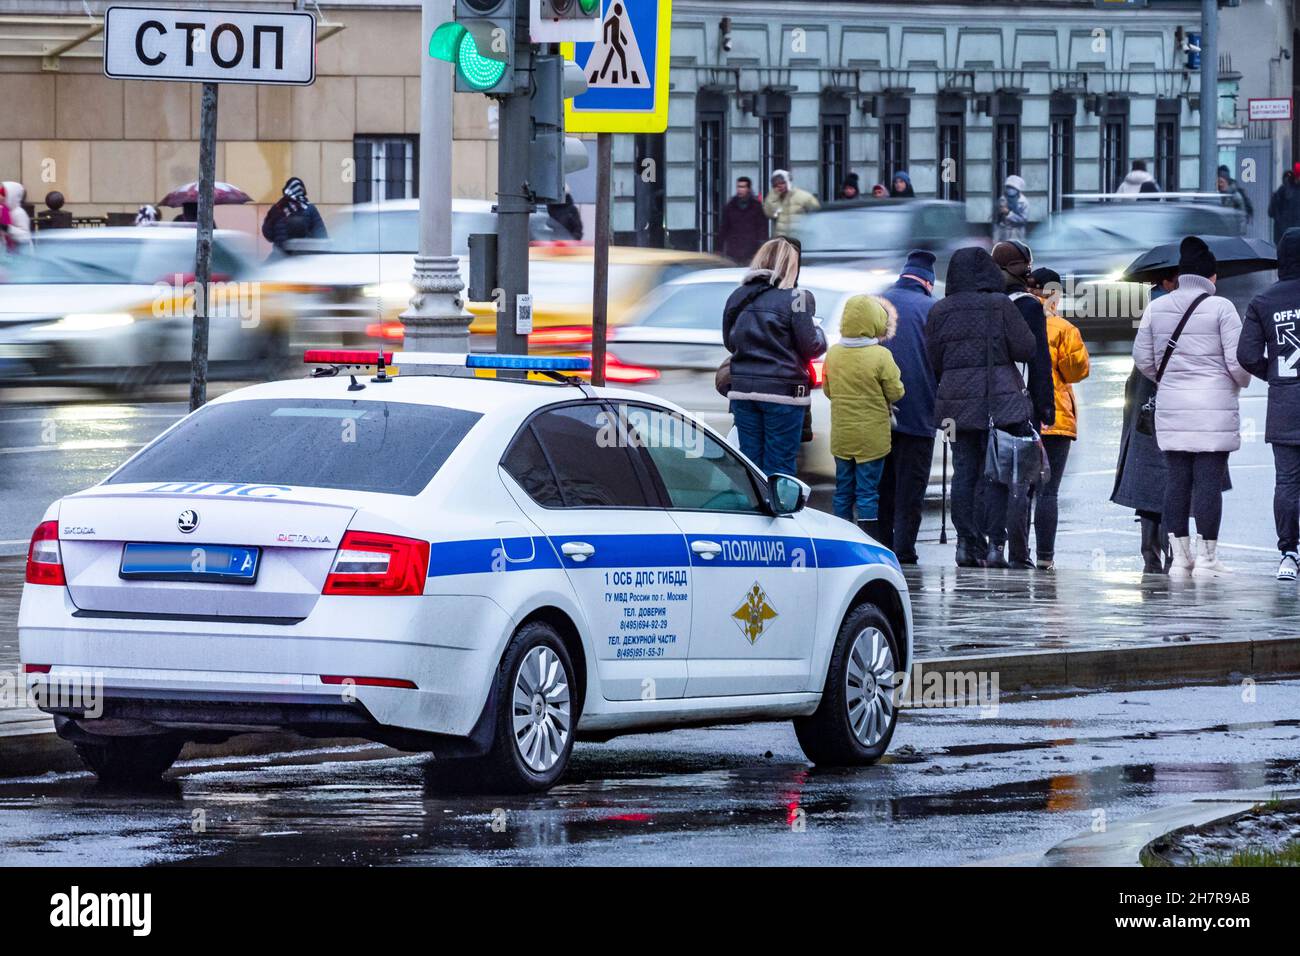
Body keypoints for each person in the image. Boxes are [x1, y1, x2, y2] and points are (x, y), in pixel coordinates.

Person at [1133, 236, 1251, 579]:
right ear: (1210, 277)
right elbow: (1239, 362)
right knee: (1209, 483)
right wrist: (1235, 383)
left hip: (1171, 405)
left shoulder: (1157, 308)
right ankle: (1208, 559)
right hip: (1214, 407)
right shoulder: (1222, 308)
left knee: (1177, 481)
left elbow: (1143, 359)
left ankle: (1181, 560)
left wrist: (1167, 379)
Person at [925, 247, 1037, 568]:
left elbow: (933, 360)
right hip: (998, 404)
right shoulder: (999, 305)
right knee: (998, 475)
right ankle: (996, 546)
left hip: (954, 409)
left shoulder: (939, 311)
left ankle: (965, 544)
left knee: (964, 473)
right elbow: (1026, 348)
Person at [723, 237, 826, 476]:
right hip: (784, 396)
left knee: (750, 465)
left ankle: (755, 510)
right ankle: (779, 511)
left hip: (743, 392)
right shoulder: (798, 297)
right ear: (790, 265)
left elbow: (730, 342)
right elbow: (811, 346)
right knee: (780, 467)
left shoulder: (737, 295)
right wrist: (817, 330)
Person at [1237, 227, 1300, 580]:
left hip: (1285, 403)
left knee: (1288, 482)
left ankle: (1289, 553)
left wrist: (1274, 374)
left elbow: (1245, 355)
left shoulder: (1263, 302)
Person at [1112, 271, 1179, 573]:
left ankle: (1150, 557)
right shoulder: (1173, 309)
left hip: (1142, 401)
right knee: (1171, 477)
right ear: (1167, 281)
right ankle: (1172, 556)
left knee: (1147, 479)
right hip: (1166, 398)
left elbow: (1140, 358)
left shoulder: (1151, 306)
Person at [824, 295, 904, 537]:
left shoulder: (834, 354)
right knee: (868, 491)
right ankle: (867, 538)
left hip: (842, 435)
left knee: (843, 490)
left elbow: (828, 390)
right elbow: (896, 391)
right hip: (872, 438)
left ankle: (841, 536)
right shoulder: (880, 356)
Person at [878, 250, 939, 564]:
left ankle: (880, 545)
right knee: (911, 488)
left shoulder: (876, 303)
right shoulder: (932, 308)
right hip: (919, 412)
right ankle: (904, 550)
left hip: (877, 414)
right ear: (928, 282)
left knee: (881, 485)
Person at [1027, 267, 1090, 570]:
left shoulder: (1014, 318)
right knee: (1047, 491)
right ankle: (1045, 557)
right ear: (1054, 293)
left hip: (1018, 416)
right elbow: (1077, 372)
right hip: (1055, 419)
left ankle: (1014, 553)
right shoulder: (1063, 329)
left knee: (1019, 490)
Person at [261, 177, 327, 255]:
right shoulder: (309, 208)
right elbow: (321, 235)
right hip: (305, 256)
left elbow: (267, 233)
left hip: (279, 256)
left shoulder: (277, 207)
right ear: (302, 191)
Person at [718, 176, 769, 265]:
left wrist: (761, 247)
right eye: (738, 187)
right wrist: (719, 247)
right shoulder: (730, 206)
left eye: (743, 187)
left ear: (748, 189)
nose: (740, 190)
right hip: (733, 251)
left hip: (751, 251)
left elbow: (762, 228)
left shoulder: (756, 206)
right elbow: (724, 228)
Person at [762, 170, 819, 238]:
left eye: (782, 183)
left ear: (788, 182)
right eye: (775, 185)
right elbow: (770, 214)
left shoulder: (803, 196)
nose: (779, 186)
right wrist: (773, 196)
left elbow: (818, 214)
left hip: (801, 239)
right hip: (782, 240)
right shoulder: (774, 198)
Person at [1268, 164, 1300, 243]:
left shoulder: (1280, 190)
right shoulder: (1287, 191)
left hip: (1284, 235)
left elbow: (1271, 212)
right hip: (1289, 234)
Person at [994, 174, 1030, 242]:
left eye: (1012, 188)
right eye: (1008, 187)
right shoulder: (1002, 199)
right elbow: (997, 220)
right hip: (1003, 234)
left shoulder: (1023, 202)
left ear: (1017, 189)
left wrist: (1008, 213)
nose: (1009, 190)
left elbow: (1023, 220)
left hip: (1017, 233)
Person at [1, 181, 32, 252]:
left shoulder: (19, 213)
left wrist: (6, 228)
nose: (1, 197)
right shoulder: (3, 210)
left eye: (3, 194)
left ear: (11, 196)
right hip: (7, 252)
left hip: (21, 253)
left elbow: (25, 237)